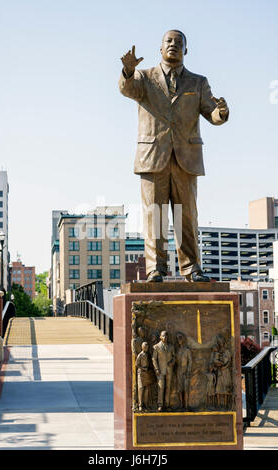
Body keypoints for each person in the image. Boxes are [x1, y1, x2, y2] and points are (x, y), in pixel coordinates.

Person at [119, 30, 229, 282]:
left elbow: (211, 113)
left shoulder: (198, 82)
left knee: (186, 216)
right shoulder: (145, 77)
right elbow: (128, 89)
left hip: (186, 158)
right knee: (154, 216)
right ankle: (155, 268)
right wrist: (127, 72)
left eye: (179, 43)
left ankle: (191, 268)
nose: (173, 45)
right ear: (160, 48)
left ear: (186, 51)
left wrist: (221, 112)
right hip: (152, 156)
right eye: (168, 41)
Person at [152, 330, 175, 411]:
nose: (165, 337)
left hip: (169, 370)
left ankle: (167, 404)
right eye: (163, 336)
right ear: (160, 337)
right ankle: (160, 404)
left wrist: (172, 362)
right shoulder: (156, 347)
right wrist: (156, 369)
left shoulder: (171, 347)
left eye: (166, 336)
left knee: (168, 387)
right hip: (160, 370)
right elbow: (154, 359)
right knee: (161, 387)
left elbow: (174, 357)